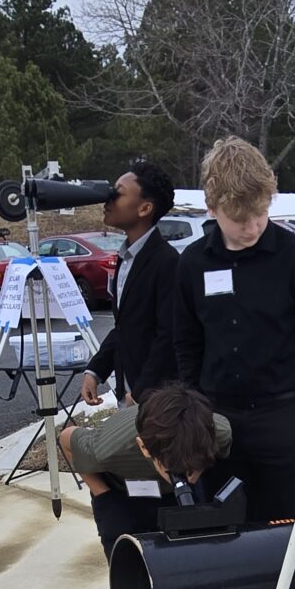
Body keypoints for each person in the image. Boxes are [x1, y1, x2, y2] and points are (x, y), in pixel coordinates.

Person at [174, 137, 295, 589]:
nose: (249, 226)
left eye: (260, 213)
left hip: (285, 418)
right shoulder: (194, 264)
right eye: (237, 216)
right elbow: (187, 344)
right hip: (219, 422)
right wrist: (195, 416)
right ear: (212, 207)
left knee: (286, 532)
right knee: (221, 531)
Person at [60, 384, 241, 589]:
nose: (183, 475)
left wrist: (193, 482)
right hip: (124, 496)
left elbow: (213, 460)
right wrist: (102, 496)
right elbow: (66, 437)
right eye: (177, 468)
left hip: (186, 502)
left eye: (192, 467)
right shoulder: (109, 445)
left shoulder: (216, 431)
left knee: (208, 580)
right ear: (144, 448)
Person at [80, 160, 179, 410]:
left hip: (156, 400)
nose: (108, 200)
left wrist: (141, 391)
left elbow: (168, 336)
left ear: (145, 208)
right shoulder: (126, 259)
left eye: (118, 193)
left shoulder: (166, 262)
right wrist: (95, 370)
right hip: (131, 394)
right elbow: (125, 327)